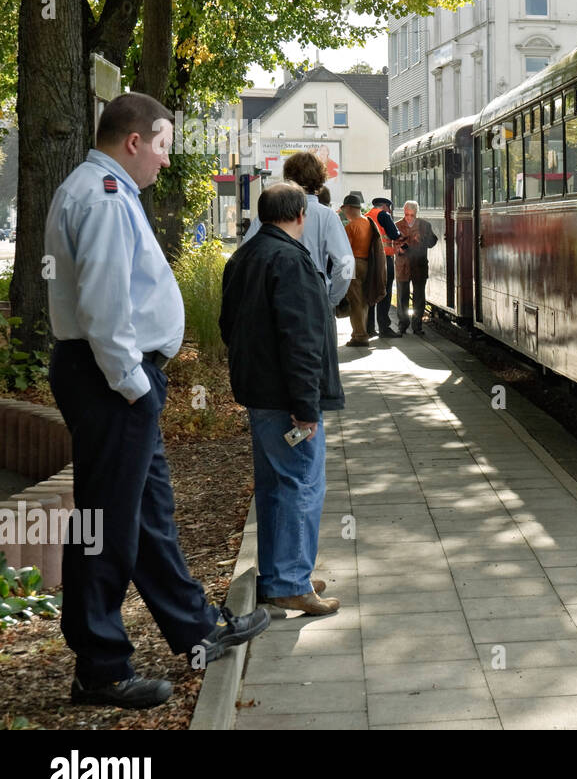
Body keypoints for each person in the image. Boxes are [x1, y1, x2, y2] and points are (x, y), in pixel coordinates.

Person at [44, 91, 269, 709]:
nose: (168, 161)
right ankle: (101, 668)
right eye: (165, 146)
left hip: (111, 378)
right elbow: (106, 307)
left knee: (145, 514)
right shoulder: (106, 198)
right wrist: (136, 388)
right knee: (107, 523)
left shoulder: (100, 189)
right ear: (136, 141)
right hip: (112, 378)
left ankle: (194, 627)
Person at [220, 182, 343, 615]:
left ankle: (281, 575)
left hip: (259, 393)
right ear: (300, 215)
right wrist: (306, 405)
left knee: (275, 486)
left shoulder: (244, 257)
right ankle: (291, 582)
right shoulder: (292, 261)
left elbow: (227, 326)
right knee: (301, 485)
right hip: (288, 399)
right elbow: (302, 341)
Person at [243, 152, 353, 308]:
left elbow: (245, 253)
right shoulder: (328, 216)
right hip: (314, 301)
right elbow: (346, 263)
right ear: (320, 178)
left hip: (273, 300)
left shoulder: (268, 212)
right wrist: (332, 299)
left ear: (288, 177)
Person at [394, 201, 438, 336]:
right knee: (402, 297)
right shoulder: (397, 226)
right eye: (407, 214)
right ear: (404, 213)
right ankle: (402, 325)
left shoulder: (425, 225)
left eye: (412, 215)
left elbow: (433, 242)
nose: (409, 218)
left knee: (419, 297)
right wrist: (399, 249)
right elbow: (393, 244)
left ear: (416, 213)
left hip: (419, 266)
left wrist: (423, 239)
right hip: (403, 266)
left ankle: (417, 326)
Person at [365, 197, 402, 338]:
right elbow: (394, 234)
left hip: (370, 260)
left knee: (372, 292)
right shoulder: (383, 215)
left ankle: (369, 328)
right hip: (384, 260)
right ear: (385, 206)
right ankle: (384, 327)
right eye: (389, 208)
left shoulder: (367, 216)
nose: (390, 211)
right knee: (384, 293)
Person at [341, 193, 374, 347]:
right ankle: (359, 332)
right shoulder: (368, 222)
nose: (343, 212)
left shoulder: (350, 226)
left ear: (349, 208)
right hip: (367, 264)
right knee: (363, 302)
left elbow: (345, 251)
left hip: (352, 263)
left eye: (343, 208)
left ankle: (360, 336)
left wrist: (342, 276)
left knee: (354, 301)